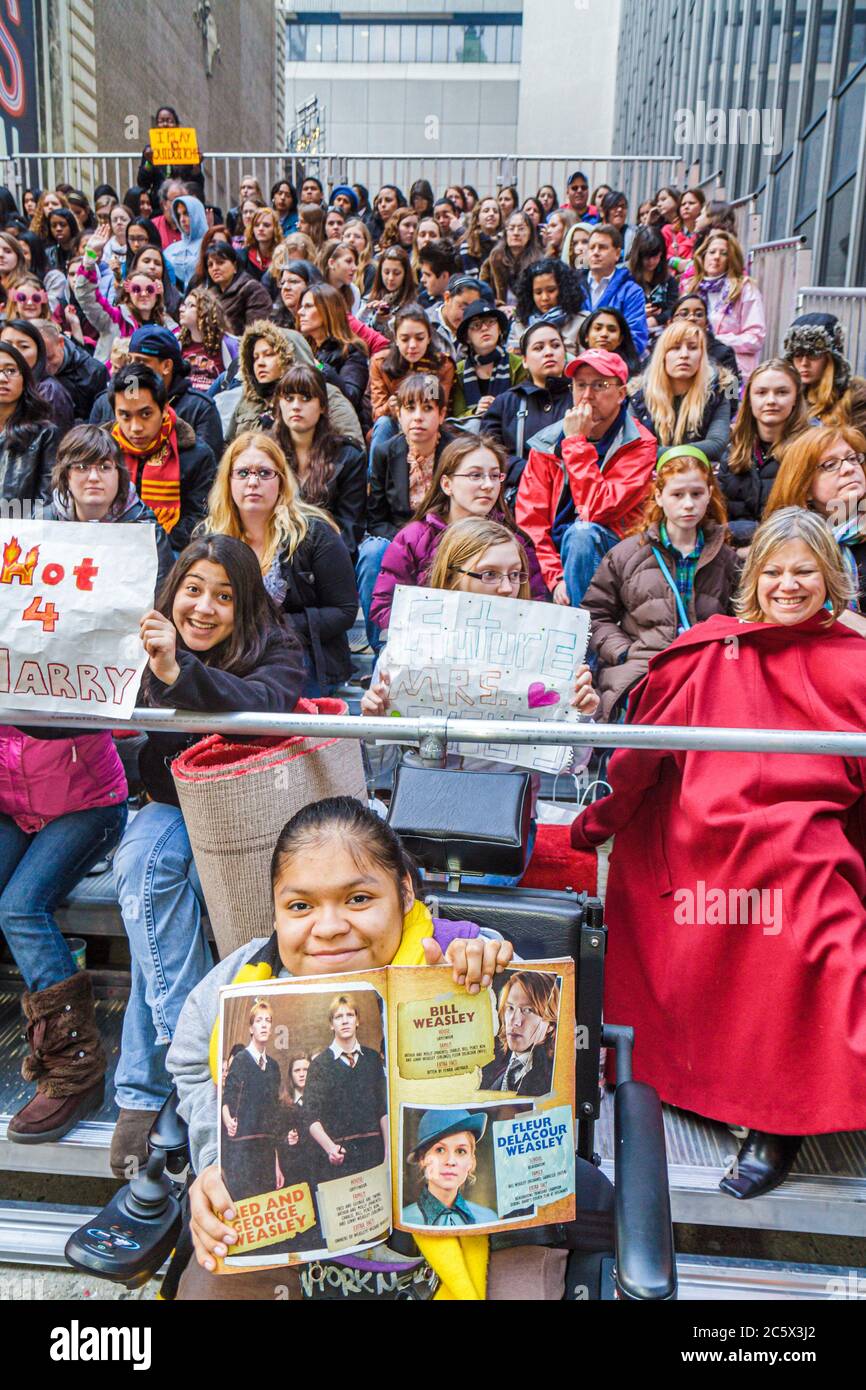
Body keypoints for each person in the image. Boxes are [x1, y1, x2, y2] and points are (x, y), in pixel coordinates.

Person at [572, 507, 866, 1199]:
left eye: (805, 572)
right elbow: (642, 758)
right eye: (774, 571)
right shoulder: (708, 648)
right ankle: (751, 1106)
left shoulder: (858, 662)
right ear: (752, 577)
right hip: (704, 839)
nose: (788, 585)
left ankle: (785, 1115)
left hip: (805, 841)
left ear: (831, 580)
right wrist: (597, 823)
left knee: (820, 937)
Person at [168, 796, 528, 1299]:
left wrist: (487, 971)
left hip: (446, 1234)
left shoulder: (453, 954)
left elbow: (527, 1030)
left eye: (358, 899)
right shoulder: (244, 979)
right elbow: (188, 1060)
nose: (330, 926)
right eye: (300, 906)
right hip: (297, 1235)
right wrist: (215, 1158)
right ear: (275, 909)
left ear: (404, 893)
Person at [110, 534, 305, 1175]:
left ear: (245, 603)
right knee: (142, 867)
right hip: (169, 805)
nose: (203, 607)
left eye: (223, 595)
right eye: (192, 589)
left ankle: (147, 1089)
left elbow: (266, 709)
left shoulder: (276, 646)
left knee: (175, 897)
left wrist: (177, 675)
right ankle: (190, 1056)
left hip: (245, 816)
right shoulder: (140, 634)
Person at [1, 708, 127, 1143]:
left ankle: (76, 1067)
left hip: (89, 806)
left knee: (21, 907)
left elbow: (127, 717)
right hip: (10, 805)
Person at [584, 443, 737, 720]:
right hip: (644, 670)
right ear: (659, 496)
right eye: (677, 494)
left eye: (697, 493)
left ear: (709, 494)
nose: (688, 503)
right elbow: (595, 615)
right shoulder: (626, 555)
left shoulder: (727, 559)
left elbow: (742, 619)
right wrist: (623, 652)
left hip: (706, 673)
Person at [203, 432, 357, 696]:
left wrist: (274, 626)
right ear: (228, 481)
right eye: (242, 473)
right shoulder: (211, 539)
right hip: (231, 656)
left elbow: (344, 610)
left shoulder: (315, 535)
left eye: (264, 473)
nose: (253, 482)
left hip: (299, 657)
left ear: (281, 482)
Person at [516, 347, 657, 606]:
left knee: (581, 534)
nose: (587, 395)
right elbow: (531, 524)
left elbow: (598, 510)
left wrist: (576, 444)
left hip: (615, 554)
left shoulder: (639, 444)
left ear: (621, 393)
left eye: (600, 385)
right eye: (580, 385)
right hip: (554, 560)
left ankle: (581, 641)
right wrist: (555, 577)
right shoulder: (546, 443)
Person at [370, 434, 547, 633]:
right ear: (447, 484)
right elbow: (384, 607)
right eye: (475, 475)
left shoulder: (516, 541)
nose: (488, 485)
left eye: (495, 476)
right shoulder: (415, 537)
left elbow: (537, 607)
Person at [359, 372, 455, 650]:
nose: (417, 417)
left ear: (442, 413)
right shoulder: (385, 452)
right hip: (398, 540)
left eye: (427, 408)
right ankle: (383, 648)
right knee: (371, 552)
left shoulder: (456, 451)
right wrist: (409, 544)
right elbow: (376, 519)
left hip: (447, 540)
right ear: (398, 413)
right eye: (409, 408)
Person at [44, 423, 175, 586]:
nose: (93, 477)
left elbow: (163, 596)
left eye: (104, 467)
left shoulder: (147, 532)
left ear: (119, 475)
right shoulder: (41, 522)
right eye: (82, 467)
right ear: (65, 476)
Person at [108, 361, 216, 551]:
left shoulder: (196, 455)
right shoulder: (103, 452)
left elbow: (199, 522)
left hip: (170, 551)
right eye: (125, 416)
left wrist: (146, 541)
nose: (136, 428)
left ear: (165, 408)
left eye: (146, 414)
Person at [271, 362, 366, 559]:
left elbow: (349, 529)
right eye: (289, 398)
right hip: (271, 552)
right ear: (279, 403)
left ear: (322, 406)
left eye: (306, 398)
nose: (296, 406)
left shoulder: (348, 456)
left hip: (325, 557)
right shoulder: (265, 453)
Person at [90, 323, 224, 462]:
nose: (134, 367)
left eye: (142, 361)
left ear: (166, 366)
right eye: (131, 360)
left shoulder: (200, 408)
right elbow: (91, 455)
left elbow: (205, 465)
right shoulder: (106, 402)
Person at [764, 424, 866, 603]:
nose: (849, 468)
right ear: (805, 487)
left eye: (853, 458)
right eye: (830, 465)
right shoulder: (786, 545)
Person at [718, 358, 809, 549]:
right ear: (749, 399)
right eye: (761, 392)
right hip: (733, 555)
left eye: (782, 392)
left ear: (795, 399)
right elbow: (718, 516)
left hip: (788, 552)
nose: (771, 400)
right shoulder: (733, 448)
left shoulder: (810, 449)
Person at [627, 317, 737, 463]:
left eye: (692, 347)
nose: (684, 355)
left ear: (702, 356)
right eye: (675, 347)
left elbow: (717, 444)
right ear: (663, 355)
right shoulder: (638, 394)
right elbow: (634, 447)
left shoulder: (717, 391)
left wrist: (663, 454)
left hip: (698, 477)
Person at [304, 992, 388, 1181]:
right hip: (340, 1158)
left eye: (350, 1015)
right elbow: (310, 1117)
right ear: (331, 1024)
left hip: (374, 1154)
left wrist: (388, 1153)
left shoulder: (373, 1059)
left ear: (357, 1020)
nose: (344, 1021)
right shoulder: (320, 1065)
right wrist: (330, 1149)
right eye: (338, 1017)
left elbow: (383, 1109)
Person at [480, 318, 571, 493]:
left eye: (555, 345)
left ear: (565, 354)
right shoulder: (506, 402)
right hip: (520, 498)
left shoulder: (581, 397)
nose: (549, 352)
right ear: (524, 360)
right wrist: (526, 471)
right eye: (538, 348)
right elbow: (488, 452)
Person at [368, 304, 455, 471]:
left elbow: (439, 409)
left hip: (429, 424)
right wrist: (392, 405)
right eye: (405, 339)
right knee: (383, 423)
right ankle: (373, 482)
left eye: (419, 338)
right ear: (395, 338)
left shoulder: (442, 364)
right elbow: (377, 413)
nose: (413, 345)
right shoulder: (380, 362)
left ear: (429, 338)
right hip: (393, 424)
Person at [75, 224, 177, 360]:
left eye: (150, 289)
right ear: (127, 291)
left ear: (158, 291)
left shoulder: (169, 327)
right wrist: (90, 254)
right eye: (136, 289)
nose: (144, 294)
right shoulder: (114, 318)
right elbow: (87, 296)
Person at [221, 999, 282, 1200]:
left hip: (265, 1153)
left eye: (268, 1021)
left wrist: (277, 1165)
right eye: (258, 1020)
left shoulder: (273, 1067)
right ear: (251, 1028)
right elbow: (227, 1100)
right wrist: (228, 1120)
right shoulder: (240, 1060)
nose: (264, 1025)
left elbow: (273, 1120)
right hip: (243, 1152)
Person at [684, 230, 765, 379]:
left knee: (731, 400)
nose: (716, 257)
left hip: (734, 371)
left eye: (723, 253)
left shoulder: (745, 288)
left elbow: (756, 338)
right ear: (703, 256)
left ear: (731, 258)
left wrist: (716, 340)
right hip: (696, 369)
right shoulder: (690, 288)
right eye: (712, 252)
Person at [402, 1111, 498, 1228]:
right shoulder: (404, 1220)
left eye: (460, 1151)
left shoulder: (489, 1219)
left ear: (471, 1162)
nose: (451, 1161)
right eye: (440, 1150)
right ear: (423, 1158)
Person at [783, 311, 866, 432]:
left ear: (830, 359)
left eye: (813, 355)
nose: (804, 363)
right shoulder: (786, 395)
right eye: (798, 355)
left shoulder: (856, 397)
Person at [479, 972, 559, 1095]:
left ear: (550, 1025)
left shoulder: (556, 1076)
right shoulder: (491, 1072)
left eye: (528, 1010)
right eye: (510, 1008)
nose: (514, 1021)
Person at [297, 281, 369, 418]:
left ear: (327, 311)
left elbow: (351, 397)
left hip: (339, 424)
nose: (300, 312)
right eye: (301, 307)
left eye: (308, 306)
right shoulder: (303, 346)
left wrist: (317, 366)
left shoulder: (353, 350)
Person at [575, 224, 648, 357]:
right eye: (592, 248)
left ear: (617, 253)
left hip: (616, 367)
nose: (595, 252)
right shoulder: (573, 287)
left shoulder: (631, 292)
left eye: (602, 247)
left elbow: (636, 339)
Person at [0, 342, 57, 502]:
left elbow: (45, 502)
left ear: (24, 380)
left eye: (11, 371)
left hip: (22, 525)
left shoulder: (44, 434)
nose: (2, 378)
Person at [451, 300, 526, 420]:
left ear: (500, 329)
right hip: (470, 436)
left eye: (491, 322)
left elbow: (524, 407)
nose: (485, 328)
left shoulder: (518, 365)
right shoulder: (457, 371)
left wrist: (499, 407)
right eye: (476, 325)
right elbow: (457, 415)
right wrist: (476, 411)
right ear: (467, 337)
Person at [0, 319, 75, 437]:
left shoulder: (49, 391)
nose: (14, 352)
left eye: (23, 346)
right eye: (7, 344)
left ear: (39, 352)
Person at [33, 317, 108, 420]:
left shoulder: (94, 372)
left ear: (61, 342)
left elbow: (101, 418)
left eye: (50, 358)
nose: (45, 366)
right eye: (38, 360)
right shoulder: (22, 368)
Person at [509, 257, 584, 354]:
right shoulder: (519, 325)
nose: (545, 298)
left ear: (564, 289)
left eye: (551, 290)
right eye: (538, 292)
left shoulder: (581, 322)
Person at [205, 241, 273, 336]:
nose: (214, 268)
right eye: (210, 265)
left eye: (220, 262)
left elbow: (256, 333)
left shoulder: (253, 290)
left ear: (235, 266)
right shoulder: (208, 296)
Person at [137, 105, 204, 199]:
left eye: (169, 121)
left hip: (184, 199)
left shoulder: (188, 147)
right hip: (159, 201)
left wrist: (196, 166)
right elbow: (143, 183)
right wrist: (149, 162)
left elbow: (199, 185)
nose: (165, 124)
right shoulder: (150, 151)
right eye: (161, 121)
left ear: (177, 126)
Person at [177, 286, 236, 393]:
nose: (181, 309)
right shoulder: (178, 342)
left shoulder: (228, 344)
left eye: (191, 305)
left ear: (205, 311)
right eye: (183, 305)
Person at [670, 292, 740, 381]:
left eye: (699, 314)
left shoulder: (724, 354)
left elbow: (732, 393)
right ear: (670, 322)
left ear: (706, 323)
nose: (691, 318)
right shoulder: (660, 349)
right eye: (684, 314)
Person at [480, 211, 542, 306]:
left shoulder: (539, 262)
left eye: (521, 229)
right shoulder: (494, 259)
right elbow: (482, 294)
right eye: (511, 229)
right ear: (506, 233)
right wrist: (498, 307)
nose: (516, 233)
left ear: (530, 234)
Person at [627, 226, 679, 335]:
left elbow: (674, 308)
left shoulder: (668, 280)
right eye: (646, 257)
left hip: (662, 334)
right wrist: (640, 313)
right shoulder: (626, 279)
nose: (651, 261)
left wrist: (657, 319)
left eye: (655, 256)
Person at [359, 245, 417, 336]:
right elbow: (358, 333)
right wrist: (376, 322)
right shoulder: (368, 300)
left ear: (405, 275)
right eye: (386, 272)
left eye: (396, 273)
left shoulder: (414, 303)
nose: (390, 278)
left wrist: (391, 323)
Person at [427, 273, 484, 360]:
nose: (466, 315)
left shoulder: (479, 329)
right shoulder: (424, 322)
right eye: (463, 308)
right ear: (447, 298)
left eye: (472, 309)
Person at [577, 306, 642, 378]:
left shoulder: (634, 380)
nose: (604, 334)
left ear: (620, 339)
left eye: (612, 330)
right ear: (586, 336)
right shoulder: (575, 367)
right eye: (598, 328)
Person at [164, 195, 208, 292]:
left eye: (186, 214)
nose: (182, 220)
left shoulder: (209, 244)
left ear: (197, 214)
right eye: (179, 215)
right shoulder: (170, 250)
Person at [239, 205, 283, 284]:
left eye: (266, 225)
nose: (260, 229)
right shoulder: (243, 256)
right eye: (256, 225)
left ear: (275, 229)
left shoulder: (282, 256)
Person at [458, 196, 502, 275]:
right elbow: (471, 279)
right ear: (477, 220)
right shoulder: (468, 244)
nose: (492, 214)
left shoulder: (504, 242)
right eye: (486, 211)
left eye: (495, 211)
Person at [417, 239, 458, 309]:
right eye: (422, 274)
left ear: (444, 276)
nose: (422, 279)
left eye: (428, 275)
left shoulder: (462, 303)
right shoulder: (422, 300)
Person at [340, 217, 375, 295]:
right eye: (347, 236)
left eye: (357, 236)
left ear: (366, 243)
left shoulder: (371, 269)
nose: (351, 240)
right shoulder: (336, 266)